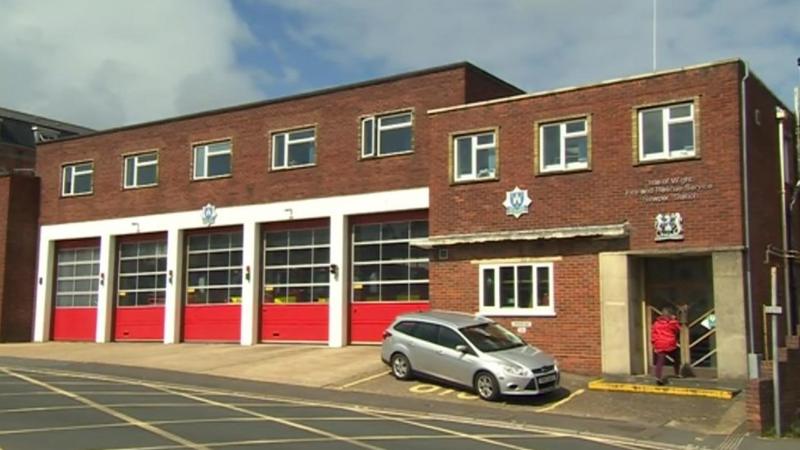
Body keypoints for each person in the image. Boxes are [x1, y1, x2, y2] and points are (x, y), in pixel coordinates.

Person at [651, 306, 682, 385]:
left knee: (660, 361)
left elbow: (653, 333)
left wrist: (654, 343)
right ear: (670, 315)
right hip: (669, 344)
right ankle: (677, 373)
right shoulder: (672, 323)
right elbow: (677, 329)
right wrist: (675, 320)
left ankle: (658, 377)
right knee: (676, 358)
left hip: (659, 344)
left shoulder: (656, 323)